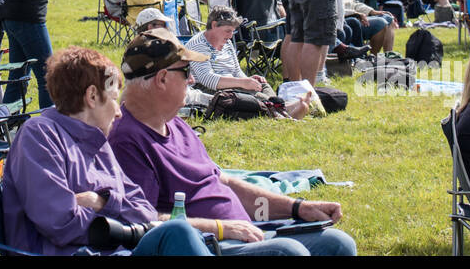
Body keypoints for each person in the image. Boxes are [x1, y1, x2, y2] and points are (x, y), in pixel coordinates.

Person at [111, 29, 356, 256]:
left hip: (248, 230)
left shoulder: (175, 124)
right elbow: (144, 221)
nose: (192, 80)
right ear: (162, 79)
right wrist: (221, 228)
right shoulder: (126, 140)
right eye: (186, 71)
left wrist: (296, 207)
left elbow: (223, 182)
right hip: (209, 244)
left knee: (338, 243)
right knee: (288, 252)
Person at [1, 45, 211, 256]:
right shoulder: (40, 136)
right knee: (177, 232)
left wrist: (102, 202)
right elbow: (61, 222)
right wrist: (122, 221)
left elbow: (145, 211)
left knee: (181, 233)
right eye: (113, 99)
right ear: (92, 96)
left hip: (117, 250)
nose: (119, 112)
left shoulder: (99, 143)